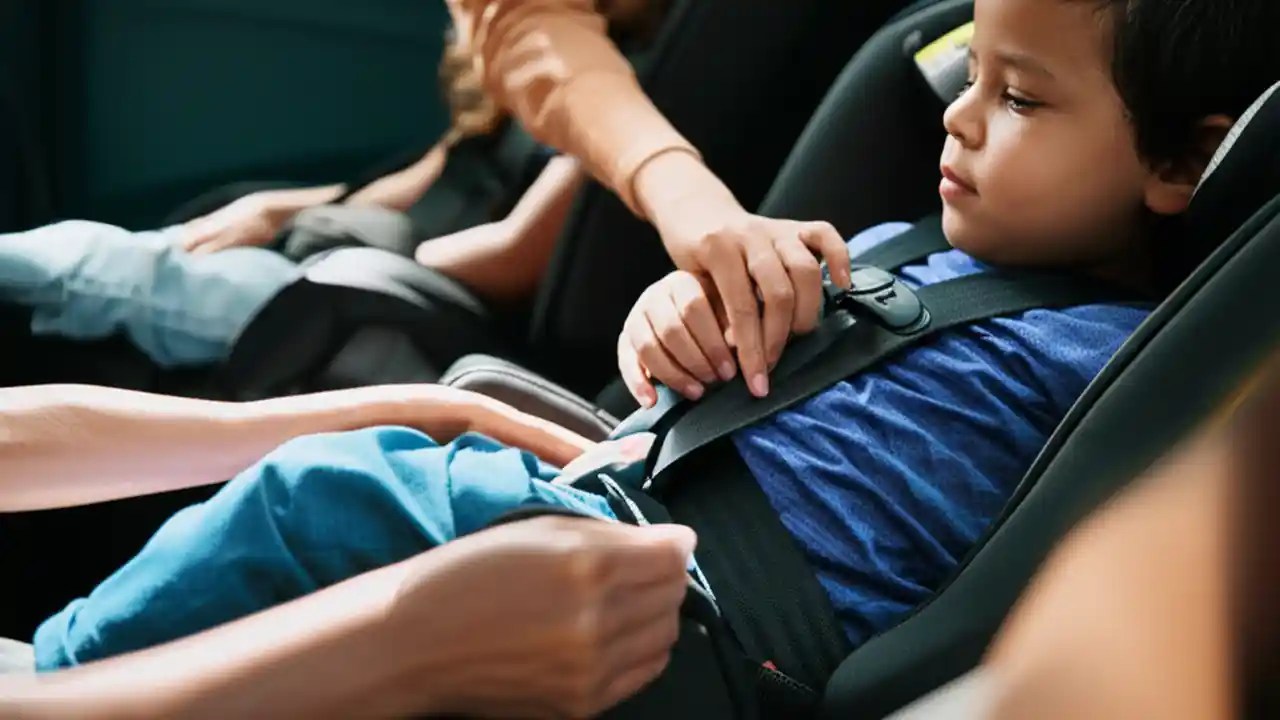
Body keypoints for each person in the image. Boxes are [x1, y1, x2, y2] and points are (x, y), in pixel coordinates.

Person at [29, 0, 1280, 696]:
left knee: (323, 494)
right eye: (970, 72)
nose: (952, 113)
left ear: (1182, 160)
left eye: (1016, 99)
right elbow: (722, 370)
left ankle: (62, 675)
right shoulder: (904, 245)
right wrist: (671, 326)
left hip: (698, 602)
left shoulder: (1123, 366)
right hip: (614, 479)